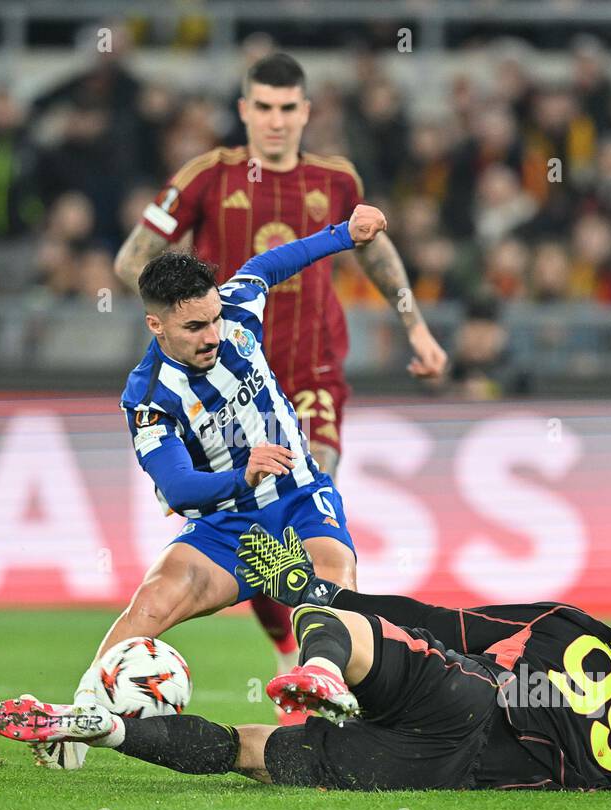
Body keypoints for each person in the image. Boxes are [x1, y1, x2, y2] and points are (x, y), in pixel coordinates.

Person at [114, 52, 447, 703]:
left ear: (307, 112)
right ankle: (298, 647)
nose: (275, 121)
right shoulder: (207, 174)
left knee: (307, 497)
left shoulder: (336, 178)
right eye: (262, 107)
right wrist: (179, 314)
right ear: (244, 110)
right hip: (222, 382)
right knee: (258, 531)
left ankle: (323, 662)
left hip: (311, 369)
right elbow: (134, 259)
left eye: (288, 108)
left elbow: (372, 251)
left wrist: (415, 325)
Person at [0, 526, 611, 791]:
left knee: (335, 617)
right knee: (245, 750)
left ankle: (327, 665)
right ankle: (106, 731)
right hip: (440, 767)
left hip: (466, 694)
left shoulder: (569, 625)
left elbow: (445, 619)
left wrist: (328, 599)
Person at [31, 206, 386, 769]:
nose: (213, 335)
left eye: (214, 319)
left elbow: (270, 262)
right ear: (157, 326)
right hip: (226, 522)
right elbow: (176, 488)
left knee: (333, 578)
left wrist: (344, 234)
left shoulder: (238, 313)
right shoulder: (149, 396)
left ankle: (323, 681)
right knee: (150, 603)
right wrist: (241, 474)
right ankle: (81, 720)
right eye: (195, 327)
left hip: (295, 494)